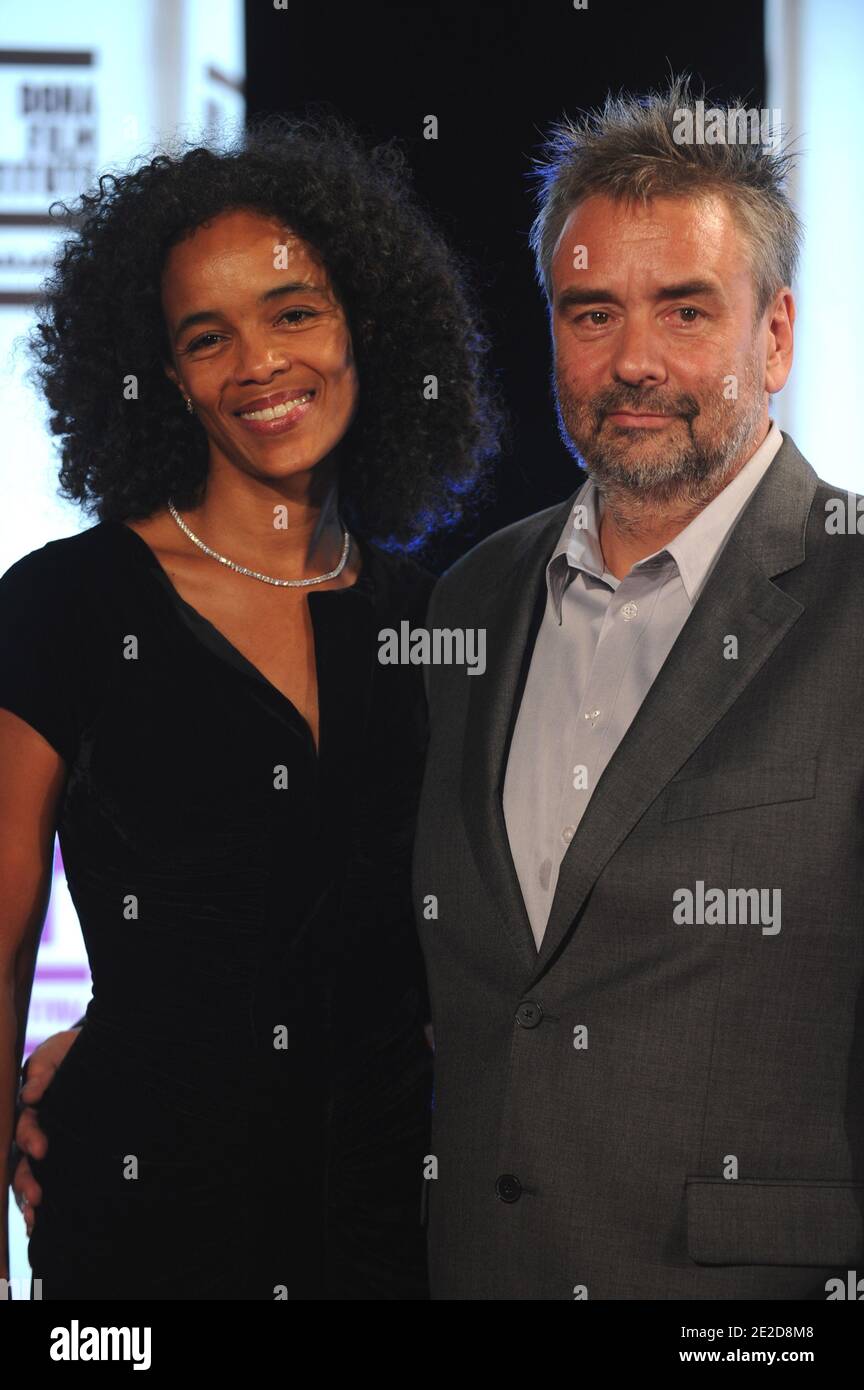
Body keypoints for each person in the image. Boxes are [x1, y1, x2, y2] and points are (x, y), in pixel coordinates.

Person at [1, 115, 499, 1299]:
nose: (260, 364)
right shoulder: (65, 603)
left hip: (391, 1228)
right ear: (168, 374)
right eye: (207, 336)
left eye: (293, 313)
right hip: (139, 1229)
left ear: (362, 324)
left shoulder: (436, 619)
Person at [412, 76, 864, 1298]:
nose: (635, 364)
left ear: (775, 333)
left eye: (685, 310)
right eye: (592, 311)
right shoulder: (470, 601)